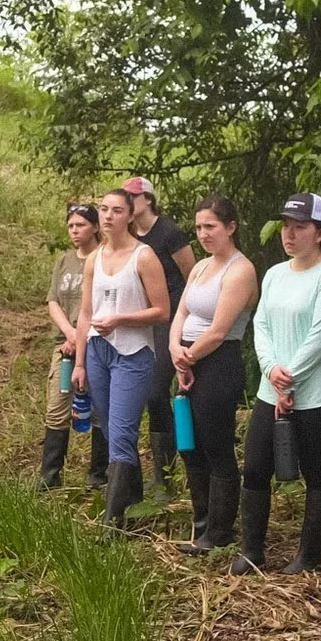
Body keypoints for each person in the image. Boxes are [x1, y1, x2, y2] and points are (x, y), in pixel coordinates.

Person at [233, 193, 321, 575]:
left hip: (316, 396)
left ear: (320, 233)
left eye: (300, 227)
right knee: (255, 468)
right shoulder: (274, 274)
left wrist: (291, 378)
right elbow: (261, 325)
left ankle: (308, 556)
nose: (289, 234)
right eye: (286, 226)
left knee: (316, 473)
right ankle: (252, 550)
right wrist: (271, 370)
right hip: (271, 392)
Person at [74, 187, 171, 529]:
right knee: (109, 428)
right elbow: (86, 313)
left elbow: (162, 310)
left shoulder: (144, 257)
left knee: (122, 431)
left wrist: (121, 319)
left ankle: (111, 522)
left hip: (133, 352)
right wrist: (80, 363)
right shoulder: (94, 258)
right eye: (104, 209)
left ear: (130, 216)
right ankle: (134, 505)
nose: (108, 216)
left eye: (116, 210)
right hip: (97, 350)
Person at [173, 194, 260, 553]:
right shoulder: (199, 267)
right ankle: (202, 521)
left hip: (218, 362)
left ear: (231, 227)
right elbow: (181, 312)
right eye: (198, 227)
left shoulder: (240, 270)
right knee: (189, 443)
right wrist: (175, 350)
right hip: (187, 359)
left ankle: (220, 531)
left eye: (210, 226)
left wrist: (188, 358)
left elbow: (220, 330)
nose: (203, 234)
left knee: (215, 445)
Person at [124, 176, 196, 505]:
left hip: (172, 319)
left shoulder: (168, 232)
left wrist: (186, 319)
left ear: (149, 200)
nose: (129, 201)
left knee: (156, 391)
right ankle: (157, 475)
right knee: (147, 396)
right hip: (141, 319)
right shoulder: (127, 235)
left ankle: (166, 477)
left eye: (134, 196)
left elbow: (192, 275)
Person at [40, 202, 101, 490]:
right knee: (56, 407)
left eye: (81, 225)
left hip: (97, 342)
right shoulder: (64, 260)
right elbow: (53, 301)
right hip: (64, 345)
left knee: (99, 410)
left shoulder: (104, 259)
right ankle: (50, 476)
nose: (75, 231)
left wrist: (82, 337)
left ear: (95, 227)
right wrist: (69, 333)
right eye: (71, 226)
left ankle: (98, 475)